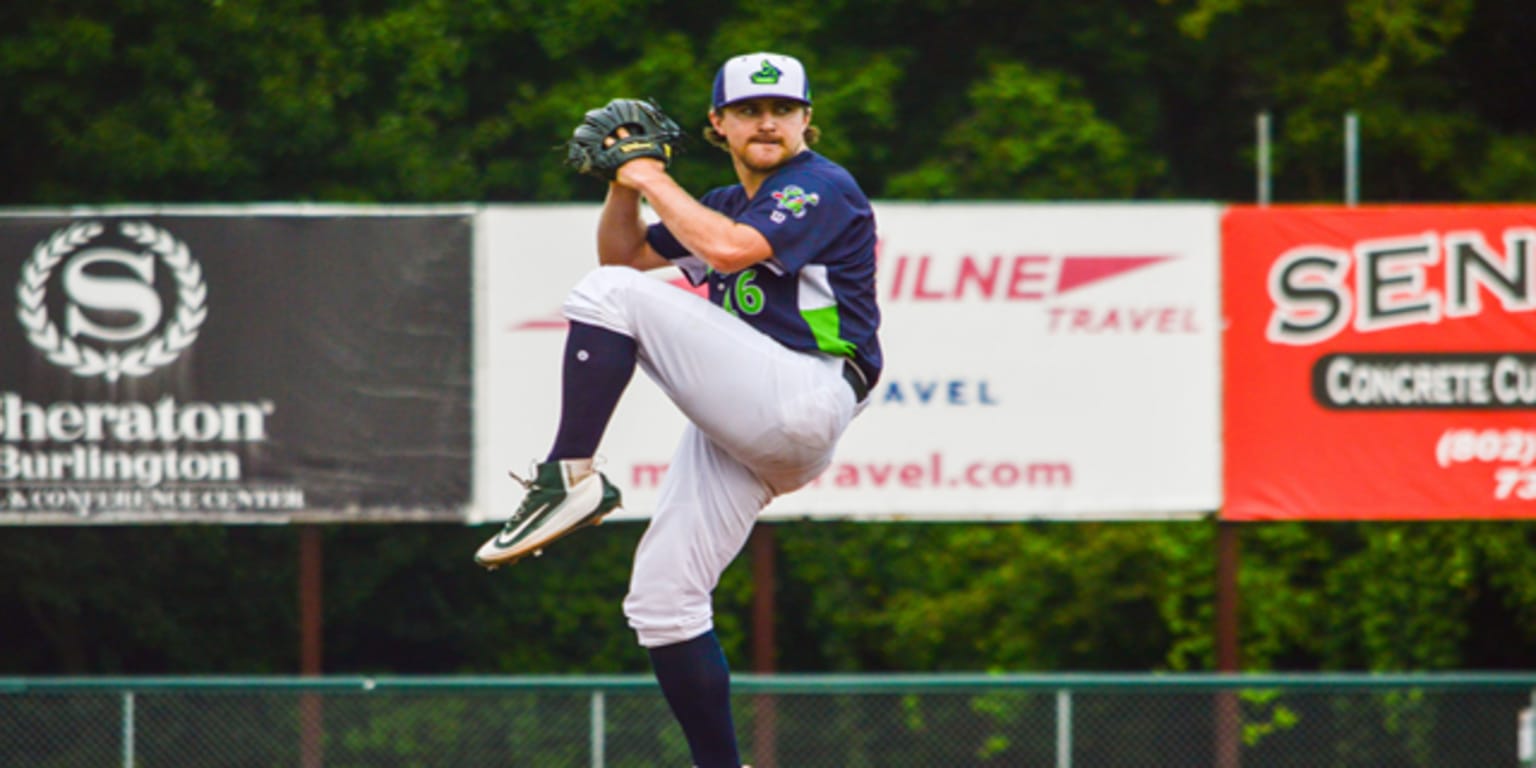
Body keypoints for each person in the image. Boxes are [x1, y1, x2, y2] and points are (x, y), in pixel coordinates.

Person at [476, 51, 882, 768]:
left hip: (807, 391)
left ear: (807, 122)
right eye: (749, 110)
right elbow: (624, 257)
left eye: (783, 109)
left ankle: (568, 477)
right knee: (663, 604)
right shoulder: (723, 201)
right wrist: (621, 186)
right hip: (757, 418)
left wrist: (650, 174)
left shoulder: (819, 184)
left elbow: (728, 254)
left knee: (605, 300)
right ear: (716, 124)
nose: (767, 122)